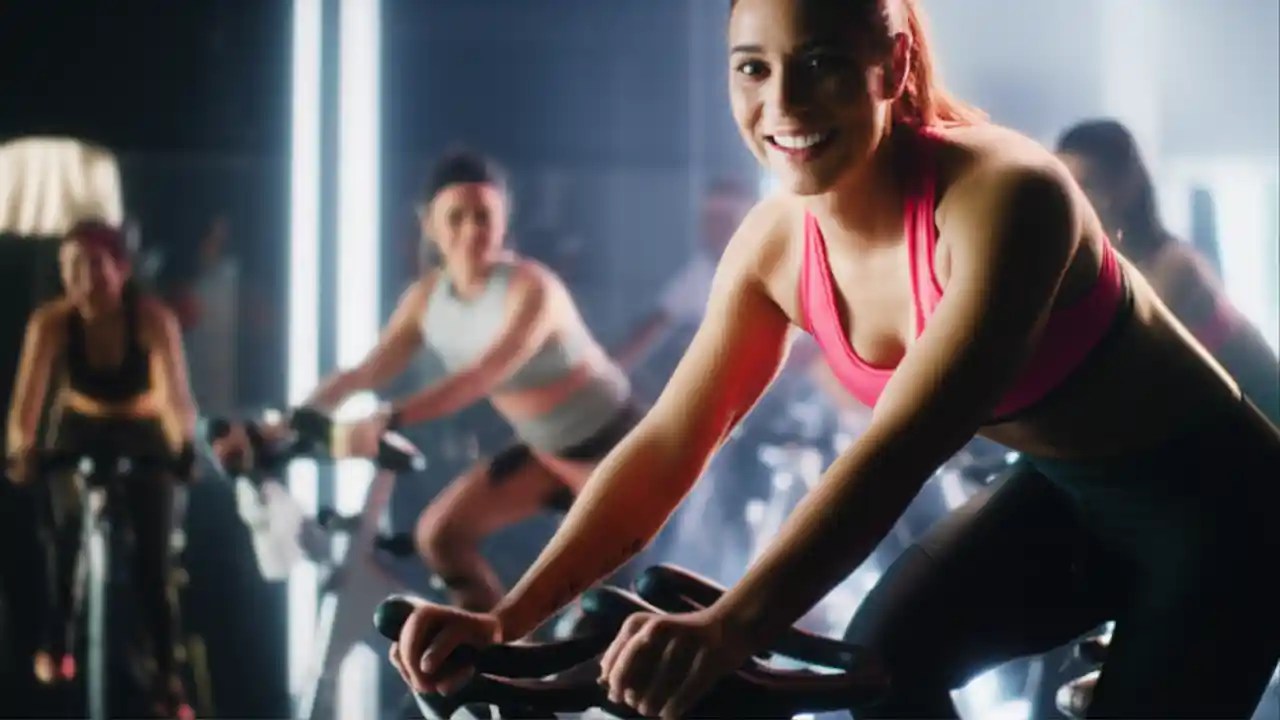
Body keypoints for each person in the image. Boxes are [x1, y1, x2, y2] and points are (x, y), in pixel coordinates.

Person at [386, 1, 1280, 717]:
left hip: (1220, 511)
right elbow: (670, 443)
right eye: (753, 68)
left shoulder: (1009, 196)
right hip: (1062, 494)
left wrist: (731, 628)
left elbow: (898, 450)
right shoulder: (773, 246)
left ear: (890, 63)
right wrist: (504, 619)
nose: (782, 105)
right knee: (884, 666)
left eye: (818, 62)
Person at [261, 149, 643, 612]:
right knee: (440, 538)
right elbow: (364, 373)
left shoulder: (532, 288)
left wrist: (391, 416)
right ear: (429, 224)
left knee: (599, 608)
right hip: (546, 452)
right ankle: (486, 659)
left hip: (615, 452)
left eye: (484, 216)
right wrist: (280, 427)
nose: (471, 231)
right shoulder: (426, 299)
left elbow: (481, 376)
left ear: (503, 221)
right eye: (456, 217)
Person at [5, 220, 197, 718]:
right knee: (64, 526)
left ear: (122, 270)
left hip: (141, 426)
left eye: (93, 265)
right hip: (79, 427)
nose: (83, 279)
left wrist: (184, 451)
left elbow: (177, 399)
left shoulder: (152, 318)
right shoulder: (51, 321)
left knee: (154, 559)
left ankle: (164, 671)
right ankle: (58, 637)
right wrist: (23, 450)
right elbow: (27, 404)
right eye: (71, 267)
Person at [1057, 119, 1280, 422]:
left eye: (1087, 186)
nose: (1074, 201)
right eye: (1065, 186)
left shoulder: (1174, 268)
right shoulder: (1120, 265)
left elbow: (1117, 367)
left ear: (1124, 187)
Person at [613, 177, 756, 372]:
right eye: (709, 218)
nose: (713, 228)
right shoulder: (699, 272)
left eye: (723, 219)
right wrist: (608, 373)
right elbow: (655, 325)